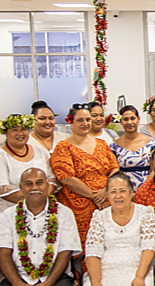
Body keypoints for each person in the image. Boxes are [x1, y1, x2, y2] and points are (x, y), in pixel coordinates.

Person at [51, 104, 120, 245]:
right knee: (85, 245)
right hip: (79, 205)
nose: (85, 124)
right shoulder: (63, 147)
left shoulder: (101, 143)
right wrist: (95, 196)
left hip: (106, 199)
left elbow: (114, 168)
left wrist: (105, 191)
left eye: (88, 120)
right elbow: (67, 178)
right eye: (80, 120)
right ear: (70, 121)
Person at [0, 114, 56, 211]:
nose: (20, 133)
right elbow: (1, 189)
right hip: (11, 211)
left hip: (43, 208)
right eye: (14, 130)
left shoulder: (40, 151)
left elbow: (52, 179)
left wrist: (41, 199)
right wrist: (34, 200)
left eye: (23, 129)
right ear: (5, 133)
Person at [109, 105, 155, 189]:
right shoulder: (114, 146)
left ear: (138, 119)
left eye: (132, 118)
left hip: (148, 188)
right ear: (120, 121)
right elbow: (113, 171)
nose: (129, 122)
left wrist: (144, 189)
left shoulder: (151, 143)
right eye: (125, 119)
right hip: (123, 189)